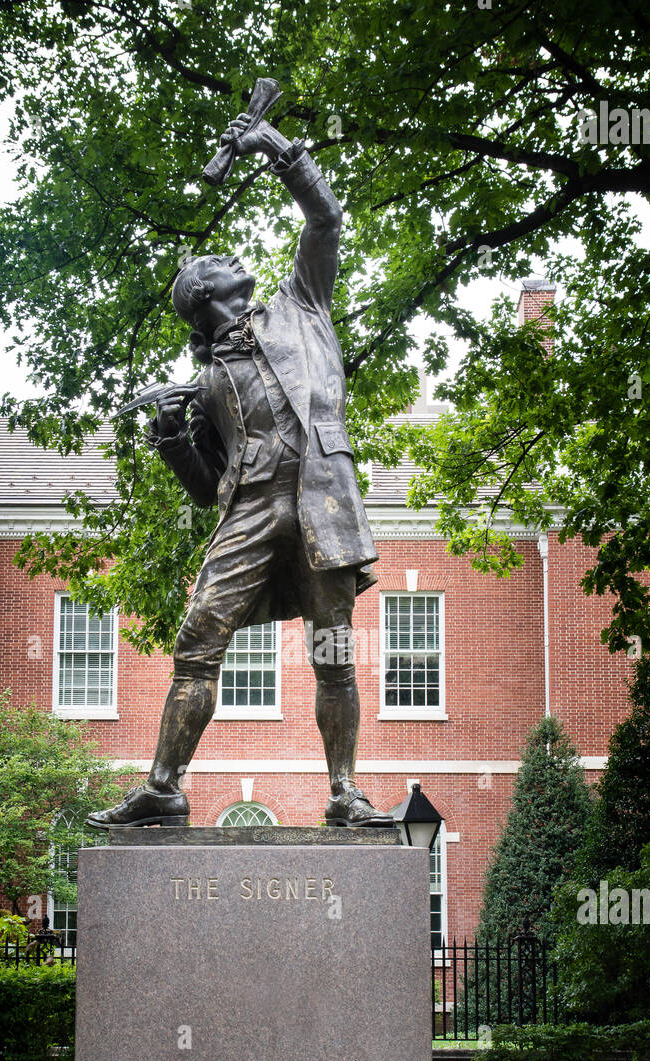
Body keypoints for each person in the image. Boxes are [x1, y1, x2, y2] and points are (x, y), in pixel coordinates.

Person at [87, 110, 393, 830]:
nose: (232, 259)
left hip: (321, 501)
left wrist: (275, 148)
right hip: (249, 510)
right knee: (198, 637)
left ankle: (345, 792)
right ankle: (164, 788)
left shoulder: (302, 305)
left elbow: (326, 217)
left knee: (332, 654)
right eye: (218, 263)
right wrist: (172, 441)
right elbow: (206, 489)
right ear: (204, 293)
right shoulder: (203, 386)